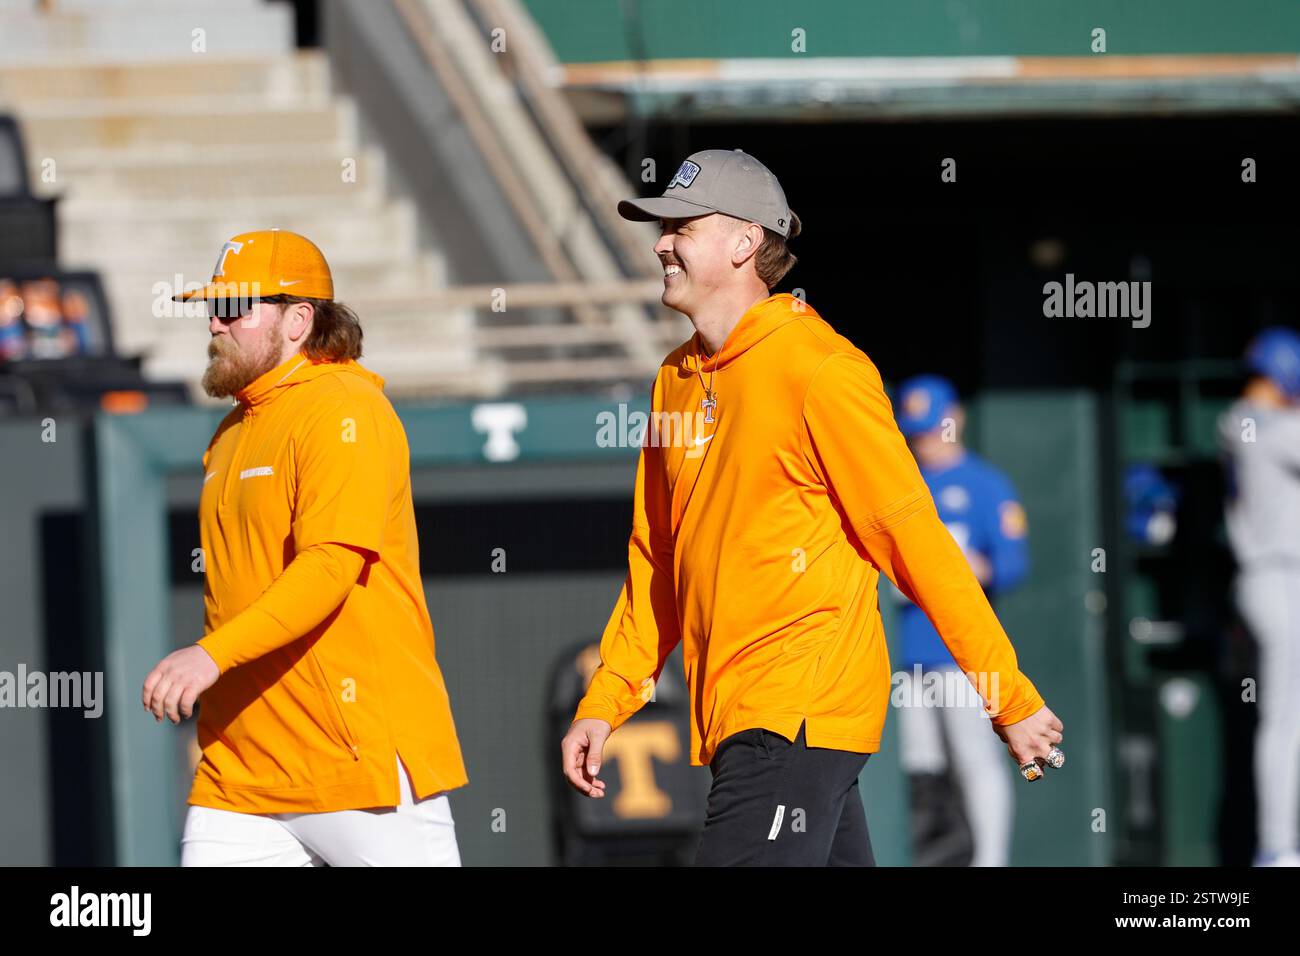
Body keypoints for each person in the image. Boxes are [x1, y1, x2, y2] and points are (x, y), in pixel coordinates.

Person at [559, 149, 1063, 865]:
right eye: (661, 226)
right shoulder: (673, 378)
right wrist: (604, 702)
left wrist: (1006, 694)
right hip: (743, 717)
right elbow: (657, 562)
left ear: (745, 242)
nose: (661, 242)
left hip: (796, 712)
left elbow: (913, 541)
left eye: (681, 225)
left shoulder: (821, 370)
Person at [141, 229, 467, 866]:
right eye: (212, 306)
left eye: (235, 307)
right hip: (241, 767)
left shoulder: (346, 409)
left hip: (355, 759)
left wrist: (211, 657)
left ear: (298, 319)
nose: (214, 321)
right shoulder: (232, 431)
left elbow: (329, 567)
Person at [891, 374, 1029, 866]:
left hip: (960, 655)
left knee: (975, 759)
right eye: (916, 431)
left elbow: (1012, 563)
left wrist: (961, 567)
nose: (924, 440)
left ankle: (990, 861)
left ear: (956, 420)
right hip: (904, 651)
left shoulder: (984, 483)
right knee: (916, 765)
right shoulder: (905, 483)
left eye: (932, 429)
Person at [1218, 326, 1300, 867]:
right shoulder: (1251, 421)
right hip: (1276, 577)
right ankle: (1276, 848)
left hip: (1278, 578)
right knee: (1285, 719)